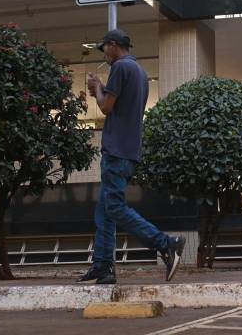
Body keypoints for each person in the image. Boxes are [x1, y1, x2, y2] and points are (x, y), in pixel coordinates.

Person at [77, 28, 185, 284]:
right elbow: (120, 105)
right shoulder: (140, 71)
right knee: (104, 212)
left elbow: (105, 107)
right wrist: (102, 88)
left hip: (116, 150)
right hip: (129, 149)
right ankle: (103, 266)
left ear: (113, 45)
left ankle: (166, 243)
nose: (104, 52)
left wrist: (96, 88)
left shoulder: (120, 67)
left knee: (113, 207)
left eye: (104, 47)